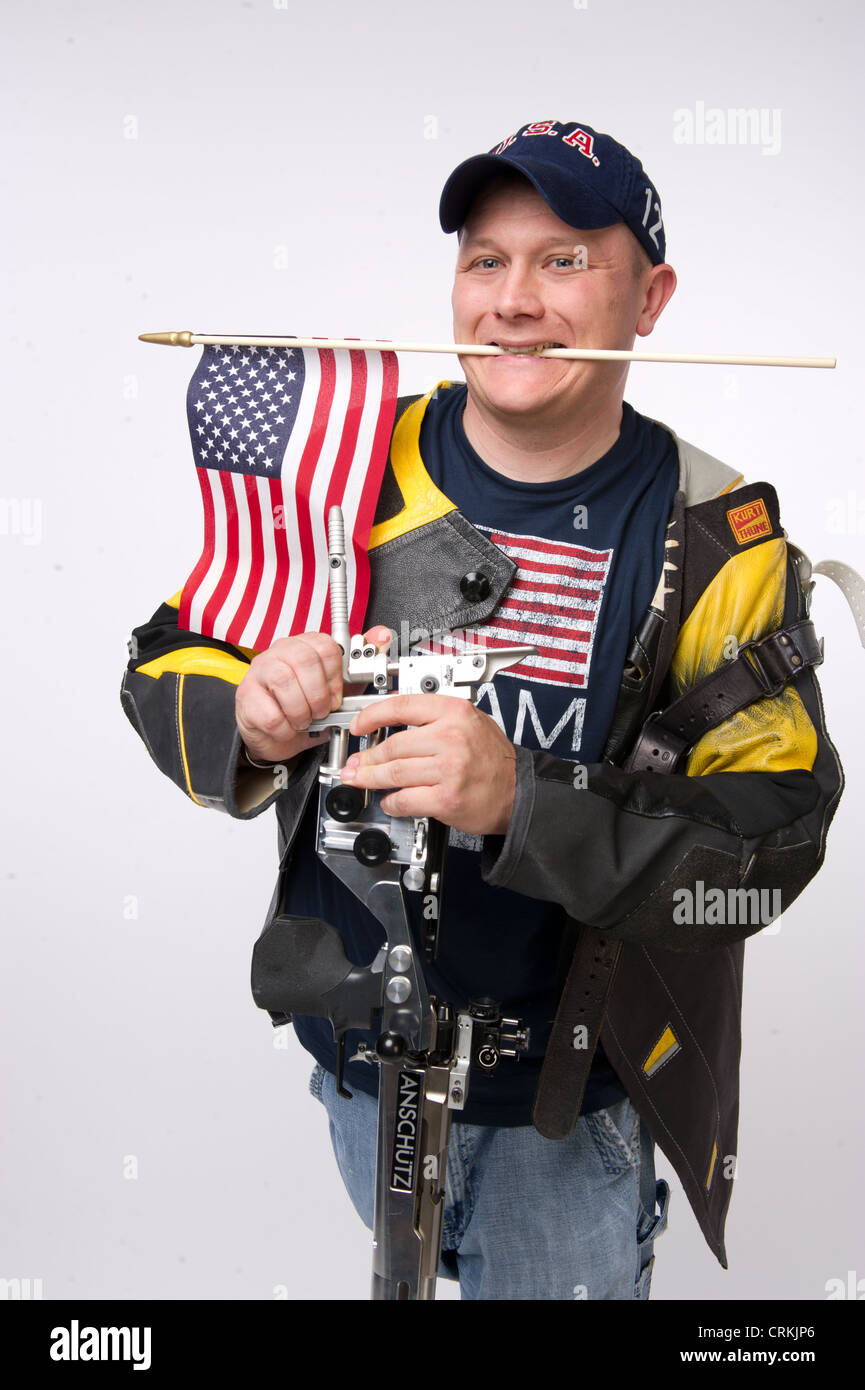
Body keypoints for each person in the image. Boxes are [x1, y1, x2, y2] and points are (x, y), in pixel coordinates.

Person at [121, 119, 843, 1300]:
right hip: (361, 1071)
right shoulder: (345, 462)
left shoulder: (717, 536)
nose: (513, 300)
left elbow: (773, 838)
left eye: (564, 261)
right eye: (483, 259)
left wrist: (526, 800)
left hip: (567, 1114)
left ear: (648, 296)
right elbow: (164, 660)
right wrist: (246, 715)